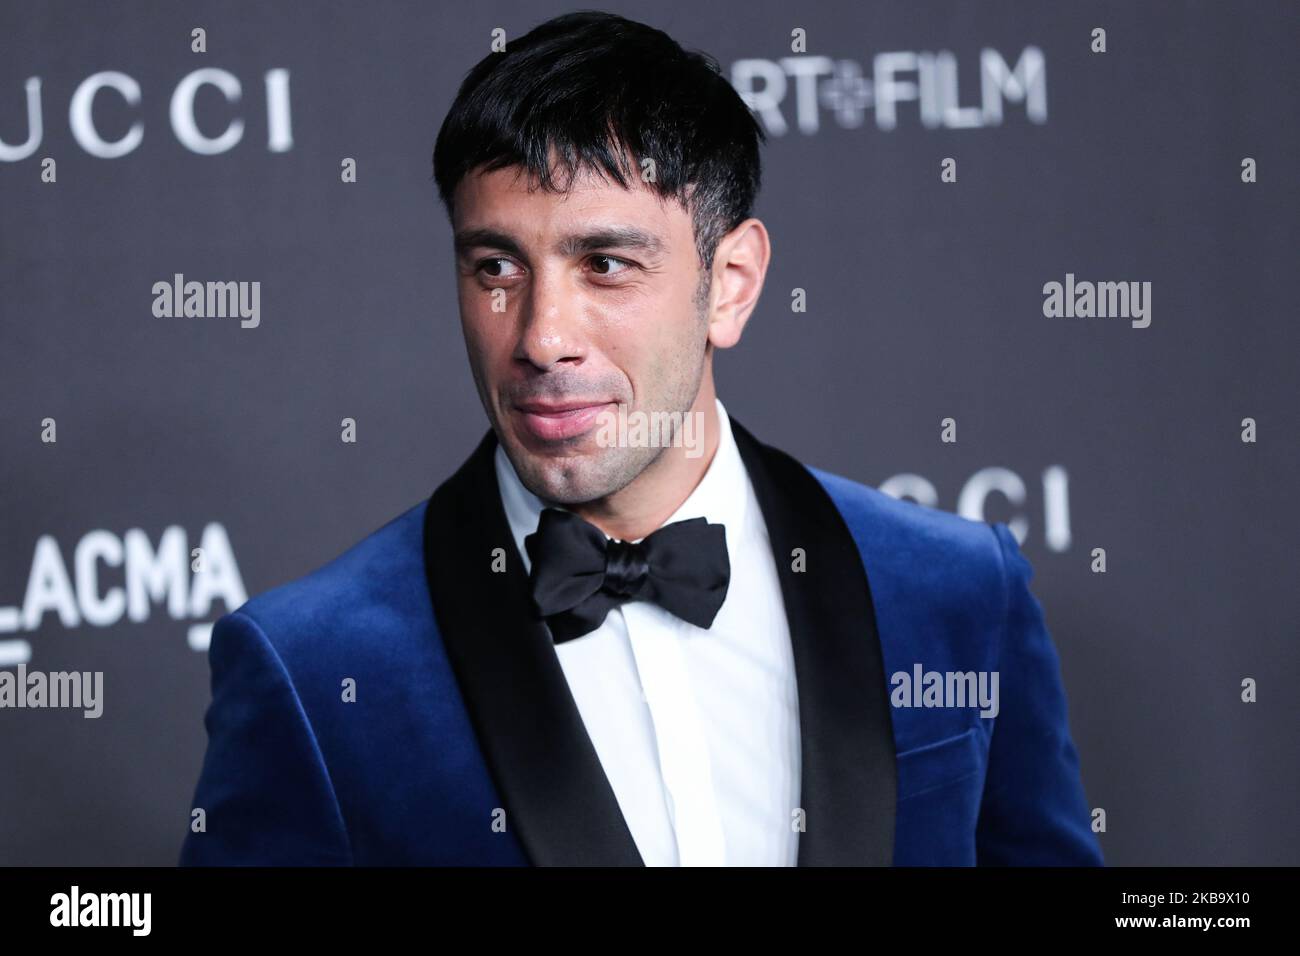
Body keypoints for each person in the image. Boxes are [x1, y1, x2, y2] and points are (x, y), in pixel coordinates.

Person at [179, 11, 1102, 866]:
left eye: (606, 265)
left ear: (731, 283)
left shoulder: (957, 590)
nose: (541, 337)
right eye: (496, 266)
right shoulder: (315, 670)